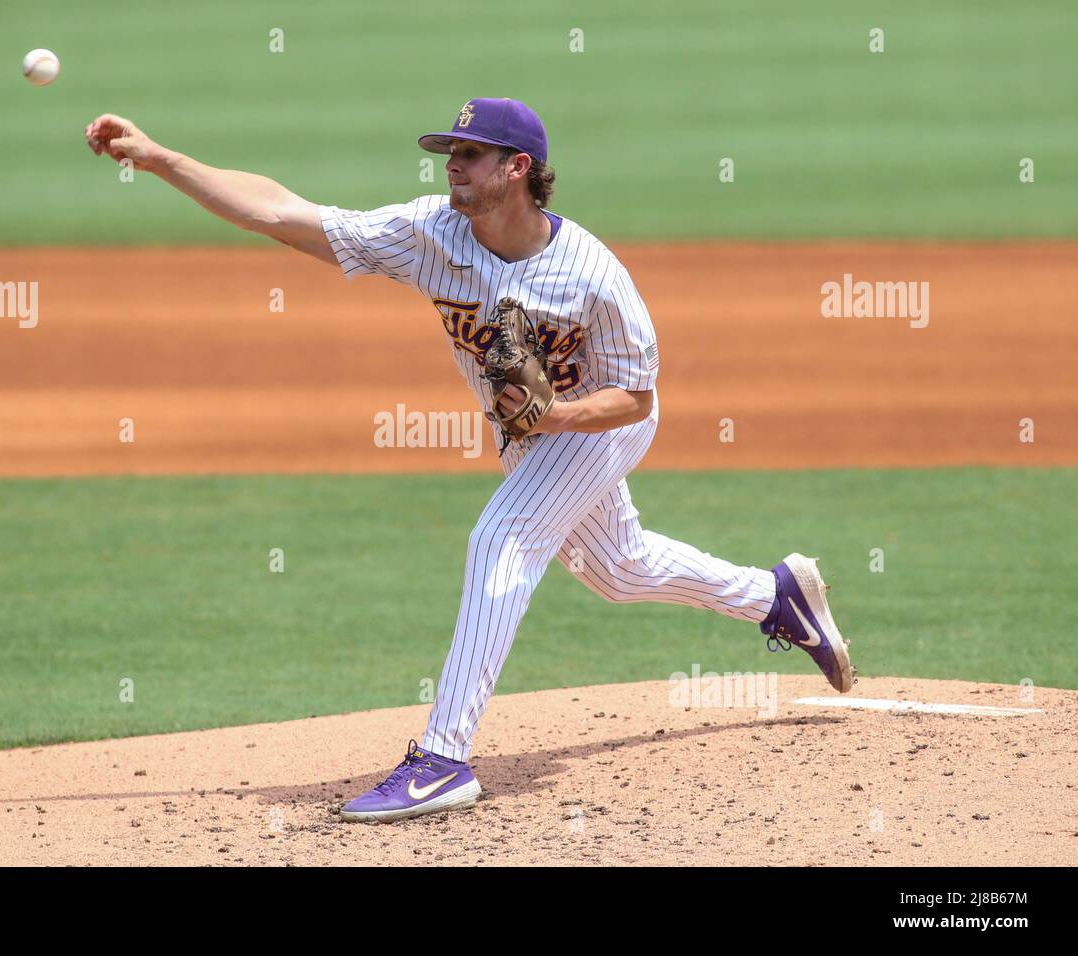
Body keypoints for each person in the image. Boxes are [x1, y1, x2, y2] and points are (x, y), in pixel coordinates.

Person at [85, 97, 854, 824]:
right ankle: (775, 594)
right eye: (448, 151)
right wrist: (160, 159)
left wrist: (557, 415)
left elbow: (638, 399)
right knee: (620, 570)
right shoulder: (430, 235)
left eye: (469, 153)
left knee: (501, 537)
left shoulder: (592, 274)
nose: (450, 164)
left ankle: (445, 758)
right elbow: (283, 211)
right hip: (538, 435)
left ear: (517, 168)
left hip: (599, 425)